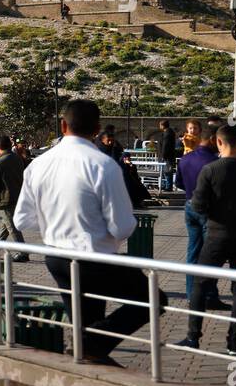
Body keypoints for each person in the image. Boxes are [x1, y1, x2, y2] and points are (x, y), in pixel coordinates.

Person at [13, 100, 152, 363]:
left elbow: (21, 219)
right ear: (98, 129)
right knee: (152, 298)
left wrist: (55, 223)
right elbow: (121, 226)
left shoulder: (38, 164)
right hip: (94, 258)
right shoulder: (103, 165)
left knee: (88, 321)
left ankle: (88, 354)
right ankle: (90, 345)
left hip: (56, 257)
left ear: (63, 125)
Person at [180, 125, 236, 353]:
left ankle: (193, 336)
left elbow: (197, 205)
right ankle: (233, 342)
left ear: (218, 142)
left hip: (217, 234)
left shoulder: (210, 170)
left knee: (200, 283)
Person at [176, 122, 224, 309]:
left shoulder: (185, 159)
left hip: (189, 205)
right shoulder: (213, 162)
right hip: (207, 209)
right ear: (213, 140)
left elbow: (179, 182)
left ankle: (191, 294)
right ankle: (208, 296)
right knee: (210, 254)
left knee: (193, 252)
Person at [0, 135, 27, 258]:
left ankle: (23, 252)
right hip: (18, 195)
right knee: (6, 225)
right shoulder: (18, 158)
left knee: (12, 227)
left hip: (5, 198)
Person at [158, 119, 177, 191]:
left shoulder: (168, 133)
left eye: (160, 125)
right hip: (166, 156)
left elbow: (165, 146)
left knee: (167, 172)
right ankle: (164, 185)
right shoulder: (168, 132)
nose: (159, 126)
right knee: (163, 172)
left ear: (162, 125)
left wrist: (163, 156)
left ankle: (168, 187)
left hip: (166, 157)